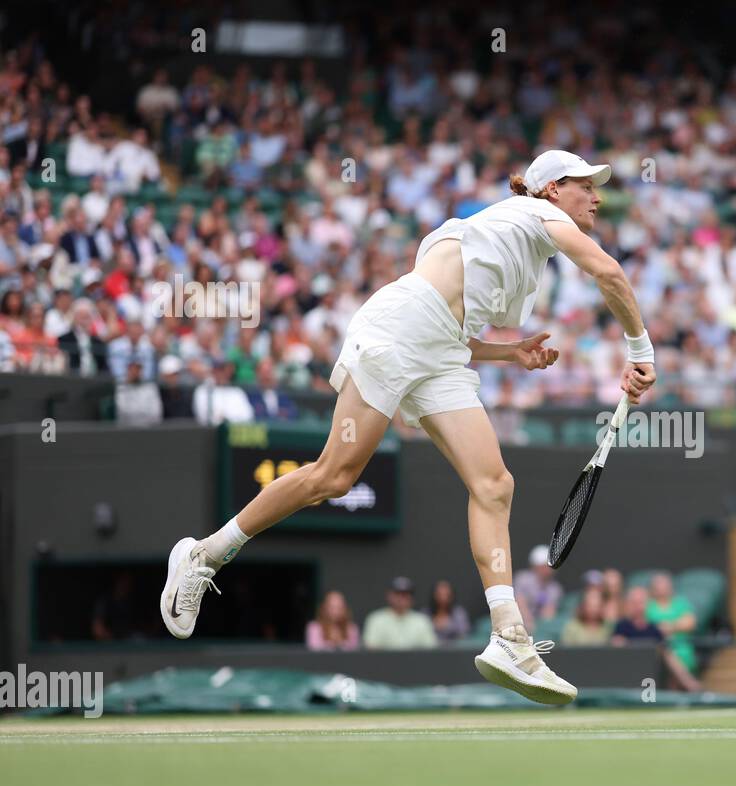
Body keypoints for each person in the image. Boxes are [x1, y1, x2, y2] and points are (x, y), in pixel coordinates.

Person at [161, 150, 656, 707]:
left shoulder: (520, 255)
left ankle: (508, 636)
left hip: (440, 352)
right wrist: (641, 349)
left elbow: (455, 330)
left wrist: (508, 353)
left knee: (495, 484)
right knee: (334, 477)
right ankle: (205, 554)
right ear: (552, 189)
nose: (596, 197)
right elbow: (608, 272)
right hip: (398, 331)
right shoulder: (530, 215)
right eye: (585, 186)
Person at [361, 577, 437, 650]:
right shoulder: (376, 619)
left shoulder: (422, 620)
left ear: (411, 597)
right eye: (397, 593)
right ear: (389, 595)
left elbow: (430, 649)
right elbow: (370, 647)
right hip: (383, 663)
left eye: (405, 594)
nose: (401, 598)